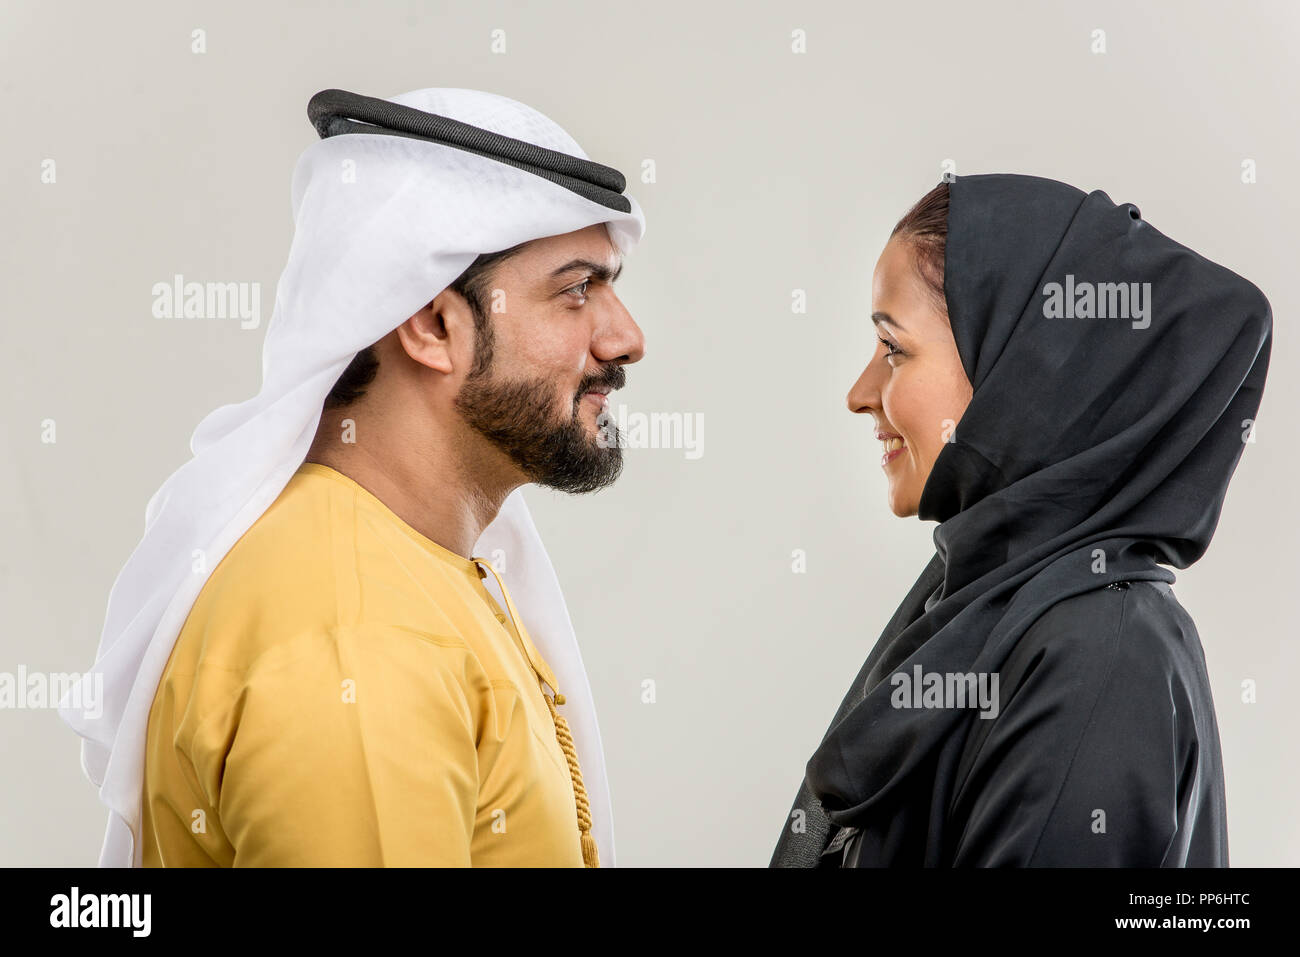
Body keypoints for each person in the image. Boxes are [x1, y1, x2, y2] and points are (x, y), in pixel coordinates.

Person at [59, 87, 647, 867]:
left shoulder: (412, 568)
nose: (626, 338)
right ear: (435, 325)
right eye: (576, 290)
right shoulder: (356, 637)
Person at [771, 173, 1271, 867]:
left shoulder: (1098, 658)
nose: (861, 394)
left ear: (1022, 373)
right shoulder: (994, 605)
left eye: (894, 350)